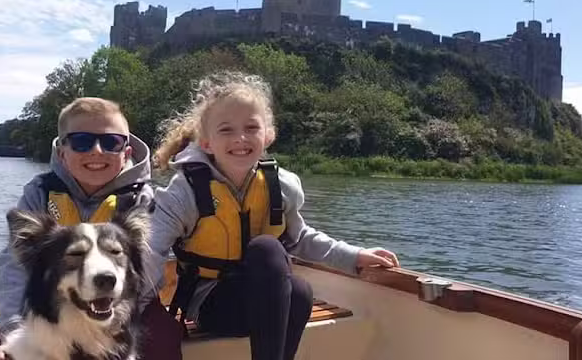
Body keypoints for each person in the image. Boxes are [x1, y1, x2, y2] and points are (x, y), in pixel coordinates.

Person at [147, 71, 400, 360]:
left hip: (263, 304)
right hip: (212, 307)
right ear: (206, 143)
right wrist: (129, 307)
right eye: (226, 130)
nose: (240, 138)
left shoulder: (281, 186)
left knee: (300, 292)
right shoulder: (185, 192)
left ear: (268, 135)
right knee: (267, 249)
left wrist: (354, 256)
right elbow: (151, 250)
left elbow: (299, 238)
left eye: (251, 127)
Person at [0, 97, 182, 360]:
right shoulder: (40, 192)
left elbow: (148, 266)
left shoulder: (143, 199)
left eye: (111, 142)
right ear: (62, 153)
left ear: (126, 153)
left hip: (129, 306)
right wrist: (12, 331)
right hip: (56, 305)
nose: (97, 151)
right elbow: (13, 265)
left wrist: (108, 328)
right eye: (81, 141)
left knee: (166, 341)